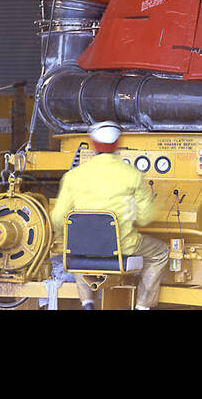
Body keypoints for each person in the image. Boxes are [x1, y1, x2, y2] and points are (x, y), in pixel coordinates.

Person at [50, 121, 170, 310]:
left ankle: (87, 303)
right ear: (117, 144)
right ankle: (142, 306)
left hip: (84, 249)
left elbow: (58, 218)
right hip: (122, 246)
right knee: (160, 252)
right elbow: (145, 218)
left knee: (76, 245)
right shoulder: (133, 175)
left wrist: (62, 239)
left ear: (92, 144)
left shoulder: (73, 176)